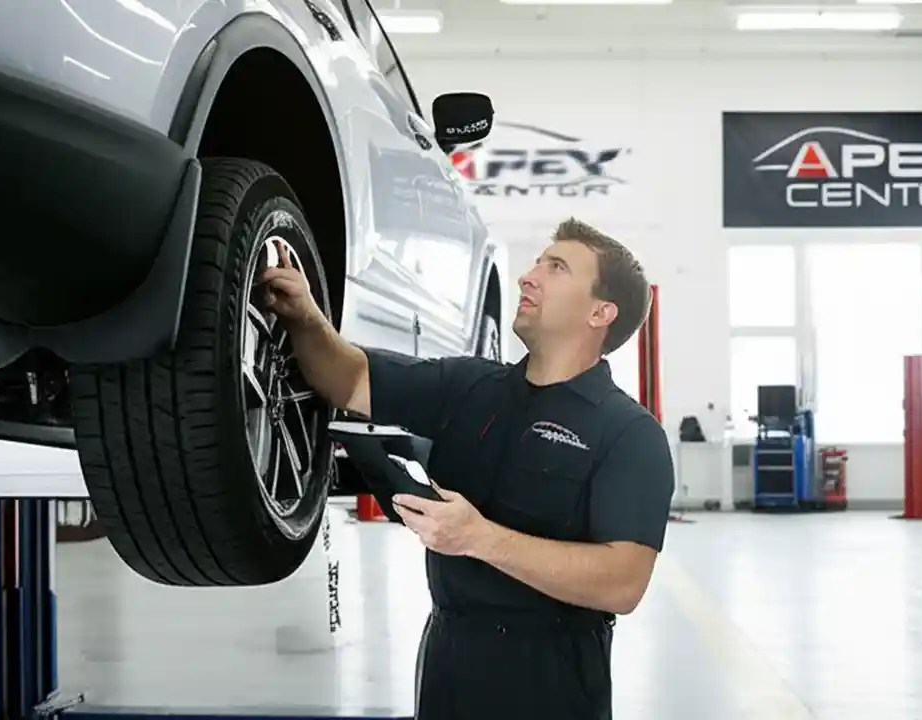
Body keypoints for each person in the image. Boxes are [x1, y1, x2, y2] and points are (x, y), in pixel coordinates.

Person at [261, 218, 675, 720]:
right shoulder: (469, 387)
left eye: (557, 267)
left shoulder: (630, 434)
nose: (528, 276)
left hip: (551, 681)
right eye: (538, 262)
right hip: (448, 660)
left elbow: (622, 582)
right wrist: (305, 317)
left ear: (600, 312)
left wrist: (479, 538)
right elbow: (350, 380)